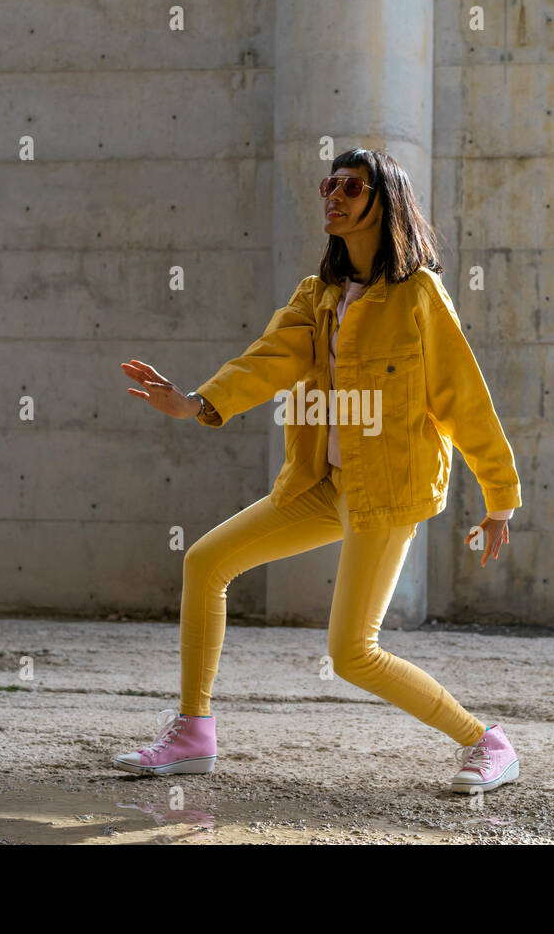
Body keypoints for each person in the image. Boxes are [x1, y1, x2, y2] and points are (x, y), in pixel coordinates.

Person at [116, 148, 521, 794]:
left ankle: (487, 743)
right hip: (322, 484)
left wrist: (499, 499)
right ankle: (193, 733)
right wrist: (196, 403)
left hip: (386, 493)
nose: (334, 194)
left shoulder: (417, 293)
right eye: (329, 183)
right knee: (205, 562)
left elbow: (463, 398)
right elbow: (267, 361)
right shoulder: (319, 295)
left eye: (352, 186)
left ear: (384, 202)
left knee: (353, 653)